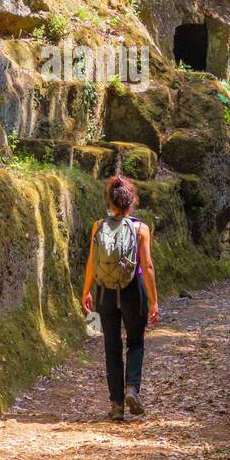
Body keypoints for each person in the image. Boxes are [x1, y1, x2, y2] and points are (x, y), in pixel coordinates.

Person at [81, 174, 160, 421]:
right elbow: (146, 267)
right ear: (131, 201)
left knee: (111, 346)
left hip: (105, 291)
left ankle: (116, 405)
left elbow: (92, 261)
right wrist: (154, 300)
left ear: (111, 200)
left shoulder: (98, 226)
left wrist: (86, 291)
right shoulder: (140, 228)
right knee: (135, 342)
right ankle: (132, 389)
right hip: (132, 291)